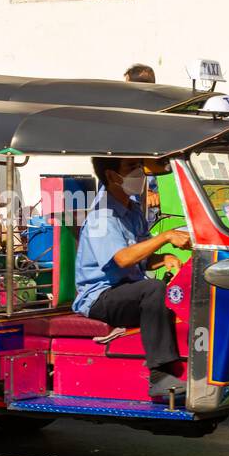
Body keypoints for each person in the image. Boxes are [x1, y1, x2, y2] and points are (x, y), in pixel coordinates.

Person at [74, 156, 192, 399]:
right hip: (100, 297)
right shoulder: (101, 217)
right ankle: (159, 374)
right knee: (154, 289)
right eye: (131, 167)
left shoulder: (132, 210)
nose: (139, 172)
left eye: (139, 165)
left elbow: (142, 255)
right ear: (111, 176)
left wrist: (165, 257)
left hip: (128, 289)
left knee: (176, 295)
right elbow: (123, 259)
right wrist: (165, 237)